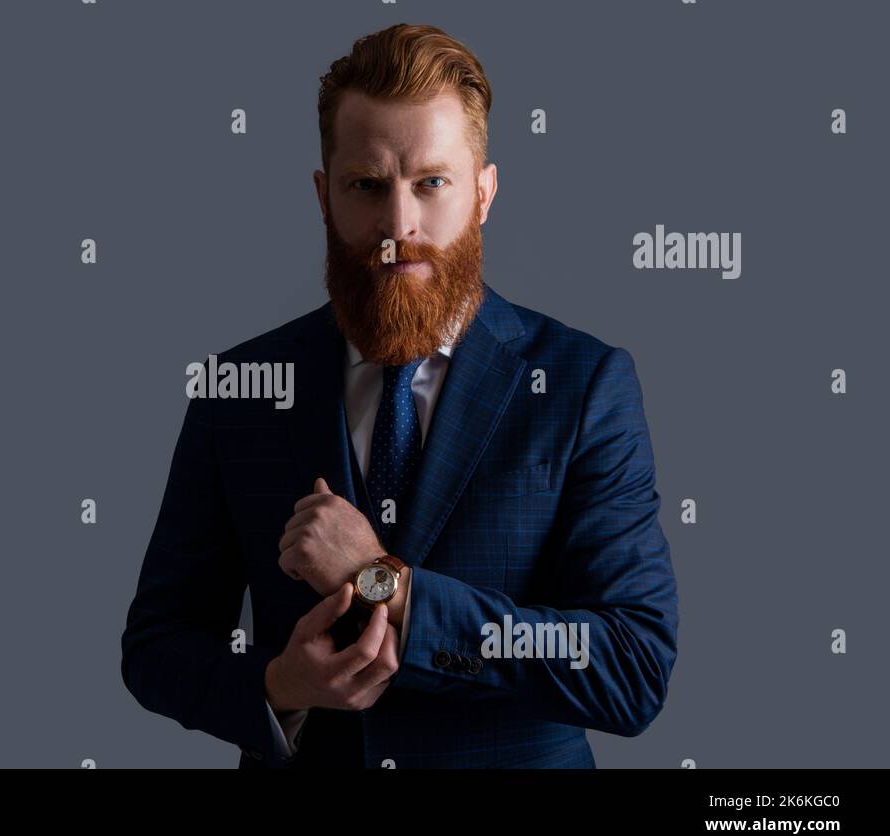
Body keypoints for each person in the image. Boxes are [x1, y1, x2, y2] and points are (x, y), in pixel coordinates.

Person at [121, 22, 678, 768]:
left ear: (483, 193)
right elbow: (157, 645)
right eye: (367, 185)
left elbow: (631, 667)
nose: (397, 226)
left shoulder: (584, 385)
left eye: (432, 183)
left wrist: (382, 584)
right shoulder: (238, 390)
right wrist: (278, 685)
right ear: (324, 196)